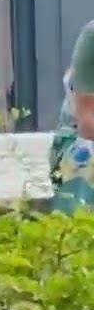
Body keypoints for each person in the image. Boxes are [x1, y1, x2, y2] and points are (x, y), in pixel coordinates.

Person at [50, 20, 94, 213]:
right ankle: (74, 235)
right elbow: (88, 122)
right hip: (79, 138)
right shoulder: (92, 37)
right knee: (86, 156)